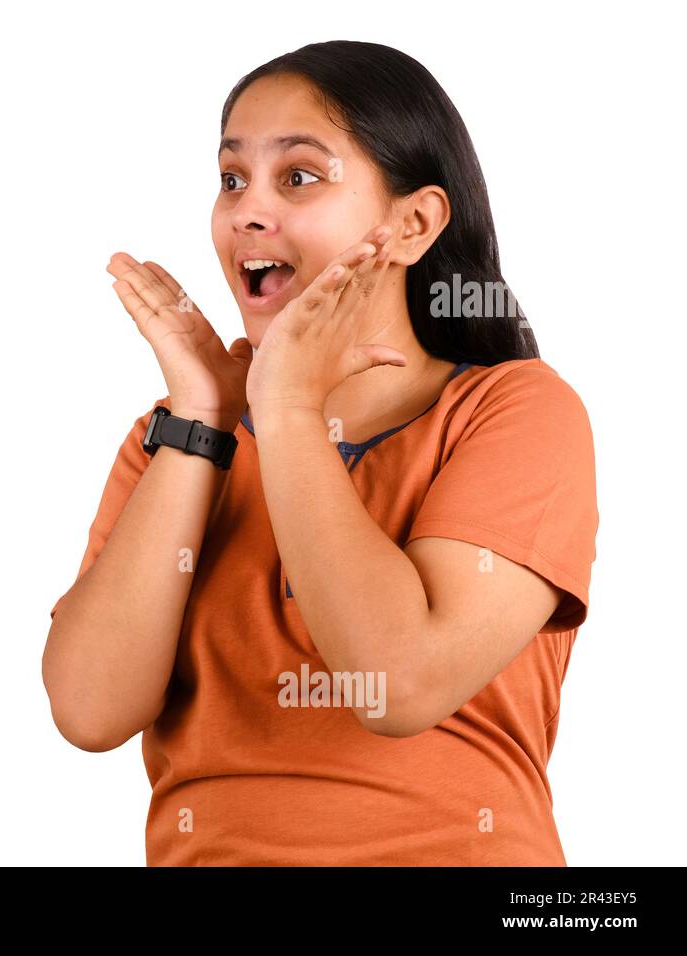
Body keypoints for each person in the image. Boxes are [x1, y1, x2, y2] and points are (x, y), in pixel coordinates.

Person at [42, 40, 599, 866]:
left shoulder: (516, 411)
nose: (247, 212)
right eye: (232, 179)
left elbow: (397, 683)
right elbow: (89, 711)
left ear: (413, 224)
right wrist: (200, 420)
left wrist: (292, 409)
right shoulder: (180, 439)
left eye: (298, 177)